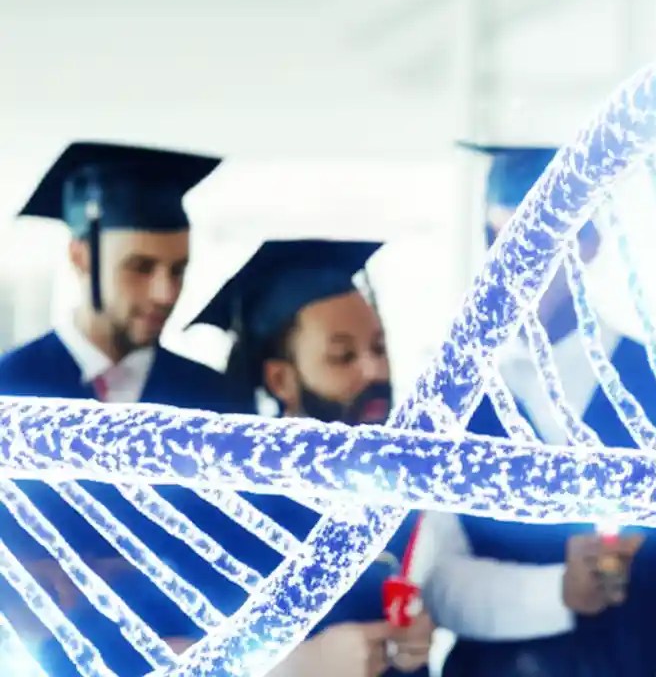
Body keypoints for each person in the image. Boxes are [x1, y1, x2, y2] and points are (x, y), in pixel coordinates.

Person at [416, 143, 656, 677]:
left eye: (539, 244)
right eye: (499, 239)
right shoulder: (451, 400)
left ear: (588, 242)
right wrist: (555, 591)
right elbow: (439, 579)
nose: (515, 265)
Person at [0, 141, 253, 675]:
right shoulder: (8, 388)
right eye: (141, 267)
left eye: (179, 269)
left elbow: (231, 556)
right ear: (80, 256)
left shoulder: (217, 403)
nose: (165, 292)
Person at [187, 238, 435, 676]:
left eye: (379, 349)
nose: (375, 372)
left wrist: (412, 639)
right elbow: (153, 650)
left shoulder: (399, 485)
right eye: (343, 357)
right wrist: (298, 666)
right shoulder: (228, 504)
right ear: (281, 379)